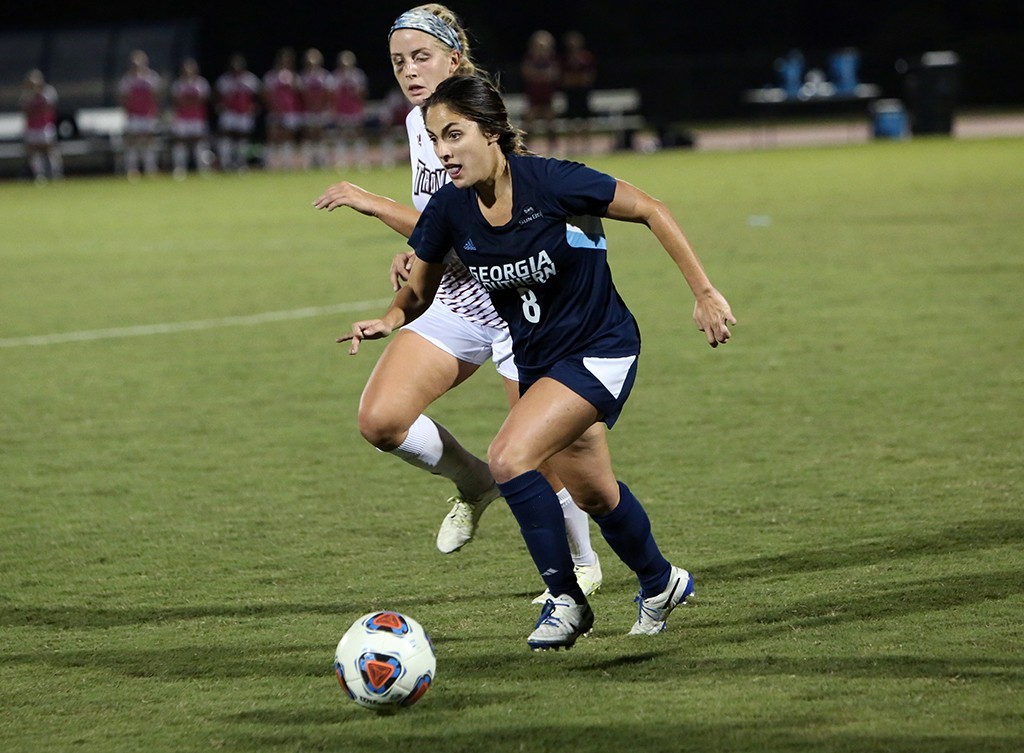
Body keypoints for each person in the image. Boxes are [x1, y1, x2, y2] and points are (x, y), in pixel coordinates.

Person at [339, 74, 736, 650]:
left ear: (492, 132)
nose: (443, 151)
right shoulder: (451, 207)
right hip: (536, 360)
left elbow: (652, 209)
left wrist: (704, 292)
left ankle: (565, 600)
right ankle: (661, 581)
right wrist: (390, 318)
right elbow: (419, 290)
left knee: (509, 457)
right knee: (594, 494)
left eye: (454, 135)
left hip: (599, 348)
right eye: (435, 139)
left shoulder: (552, 181)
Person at [314, 5, 603, 598]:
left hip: (514, 300)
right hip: (455, 297)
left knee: (541, 453)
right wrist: (417, 253)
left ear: (453, 58)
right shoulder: (417, 122)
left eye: (421, 57)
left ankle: (581, 564)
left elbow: (472, 227)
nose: (409, 71)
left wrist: (374, 204)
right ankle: (475, 482)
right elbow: (439, 220)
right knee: (382, 420)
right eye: (398, 61)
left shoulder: (472, 120)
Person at [119, 50, 162, 180]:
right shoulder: (127, 79)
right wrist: (127, 112)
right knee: (132, 142)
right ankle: (132, 170)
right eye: (134, 63)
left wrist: (155, 112)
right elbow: (123, 98)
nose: (137, 66)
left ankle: (150, 169)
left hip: (147, 115)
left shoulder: (152, 77)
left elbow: (155, 96)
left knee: (148, 142)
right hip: (133, 115)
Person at [215, 53, 261, 172]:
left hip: (244, 112)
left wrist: (254, 106)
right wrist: (219, 105)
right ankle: (225, 163)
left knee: (243, 137)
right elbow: (216, 95)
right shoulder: (224, 79)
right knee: (226, 136)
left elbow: (258, 95)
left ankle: (241, 162)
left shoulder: (250, 79)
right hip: (229, 112)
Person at [169, 58, 212, 180]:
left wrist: (189, 101)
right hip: (182, 118)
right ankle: (180, 168)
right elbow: (177, 101)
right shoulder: (178, 84)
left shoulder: (201, 83)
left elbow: (203, 100)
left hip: (198, 118)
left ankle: (203, 168)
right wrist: (190, 101)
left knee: (200, 144)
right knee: (180, 143)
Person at [520, 30, 560, 152]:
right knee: (528, 125)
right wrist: (542, 75)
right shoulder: (530, 59)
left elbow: (554, 74)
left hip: (547, 97)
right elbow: (527, 73)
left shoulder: (551, 59)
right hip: (534, 97)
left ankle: (553, 149)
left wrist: (539, 75)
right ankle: (524, 149)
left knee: (551, 125)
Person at [20, 69, 63, 183]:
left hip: (45, 126)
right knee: (34, 153)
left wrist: (39, 96)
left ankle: (55, 174)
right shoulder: (27, 95)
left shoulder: (48, 92)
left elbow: (49, 108)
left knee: (50, 150)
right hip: (32, 128)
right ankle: (39, 175)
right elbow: (27, 111)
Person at [263, 47, 303, 170]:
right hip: (275, 112)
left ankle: (287, 162)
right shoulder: (271, 76)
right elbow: (266, 94)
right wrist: (273, 107)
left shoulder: (294, 76)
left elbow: (300, 93)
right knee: (273, 137)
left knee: (288, 137)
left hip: (290, 111)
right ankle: (270, 163)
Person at [331, 50, 370, 170]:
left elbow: (363, 93)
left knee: (358, 135)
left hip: (355, 110)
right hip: (341, 111)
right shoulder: (336, 76)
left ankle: (361, 161)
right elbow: (333, 95)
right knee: (342, 136)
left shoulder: (358, 75)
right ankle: (341, 161)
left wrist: (357, 92)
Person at [560, 31, 596, 155]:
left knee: (585, 120)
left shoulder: (586, 57)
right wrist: (576, 79)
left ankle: (587, 146)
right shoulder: (565, 59)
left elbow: (588, 77)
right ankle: (571, 147)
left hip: (583, 93)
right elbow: (564, 78)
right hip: (570, 93)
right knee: (570, 121)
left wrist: (575, 79)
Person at [298, 48, 334, 169]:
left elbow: (329, 93)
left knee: (321, 134)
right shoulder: (303, 76)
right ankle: (309, 160)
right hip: (308, 110)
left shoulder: (325, 76)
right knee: (309, 134)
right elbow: (302, 94)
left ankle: (321, 159)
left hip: (321, 110)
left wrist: (321, 105)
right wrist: (310, 105)